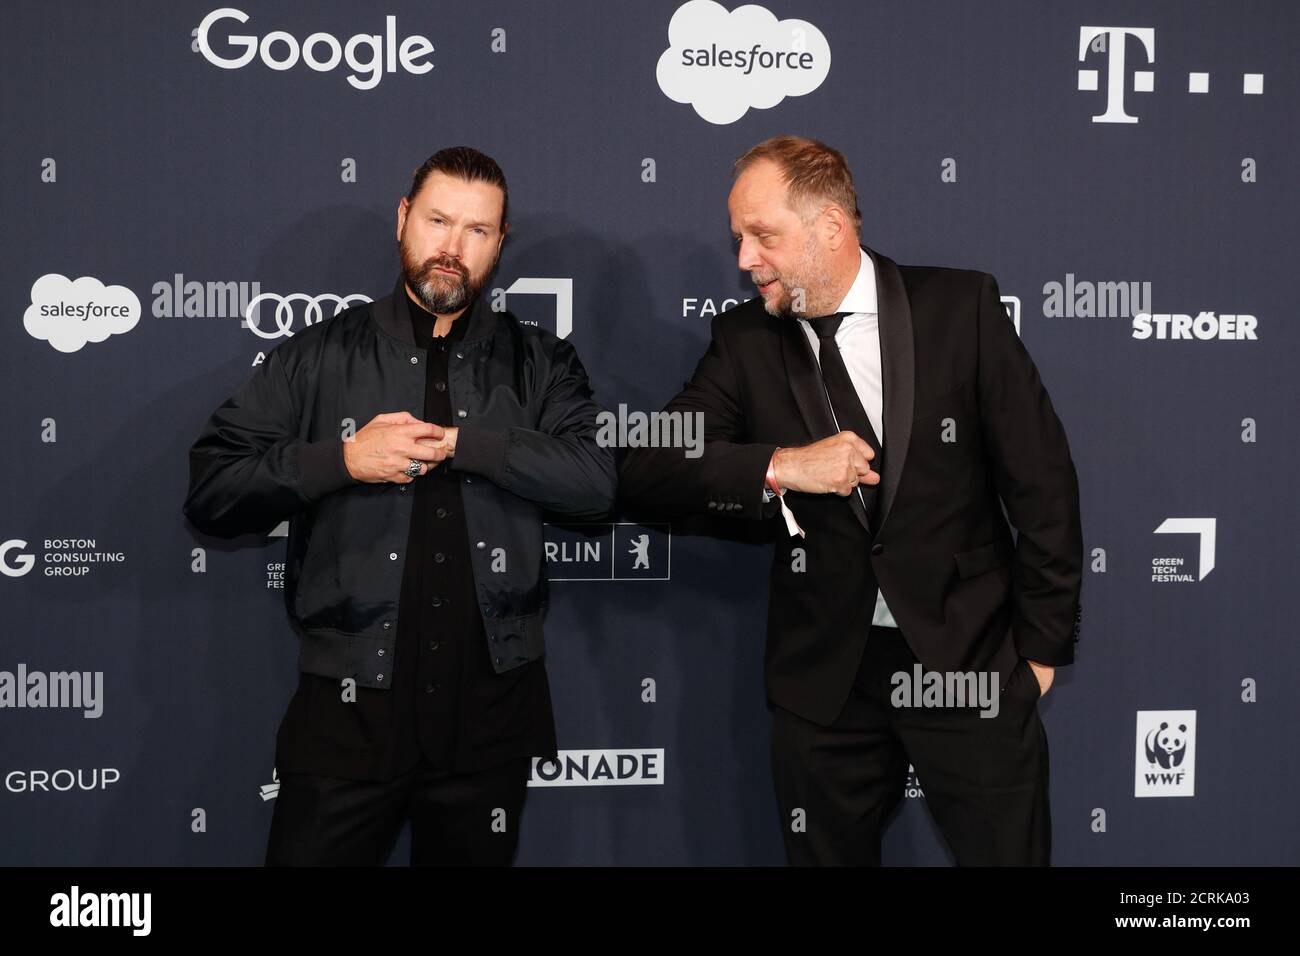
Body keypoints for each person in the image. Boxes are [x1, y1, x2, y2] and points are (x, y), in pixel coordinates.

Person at [619, 135, 1082, 865]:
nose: (744, 260)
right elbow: (648, 465)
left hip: (967, 660)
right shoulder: (744, 341)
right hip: (824, 682)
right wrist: (779, 465)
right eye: (738, 238)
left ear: (830, 228)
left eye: (762, 236)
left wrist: (1042, 655)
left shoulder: (960, 308)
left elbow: (1043, 481)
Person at [183, 146, 616, 866]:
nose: (453, 248)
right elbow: (212, 491)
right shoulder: (315, 357)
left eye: (478, 231)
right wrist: (344, 460)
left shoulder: (542, 362)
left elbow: (596, 486)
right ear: (403, 220)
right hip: (346, 719)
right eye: (439, 220)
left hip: (489, 722)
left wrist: (464, 445)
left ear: (500, 245)